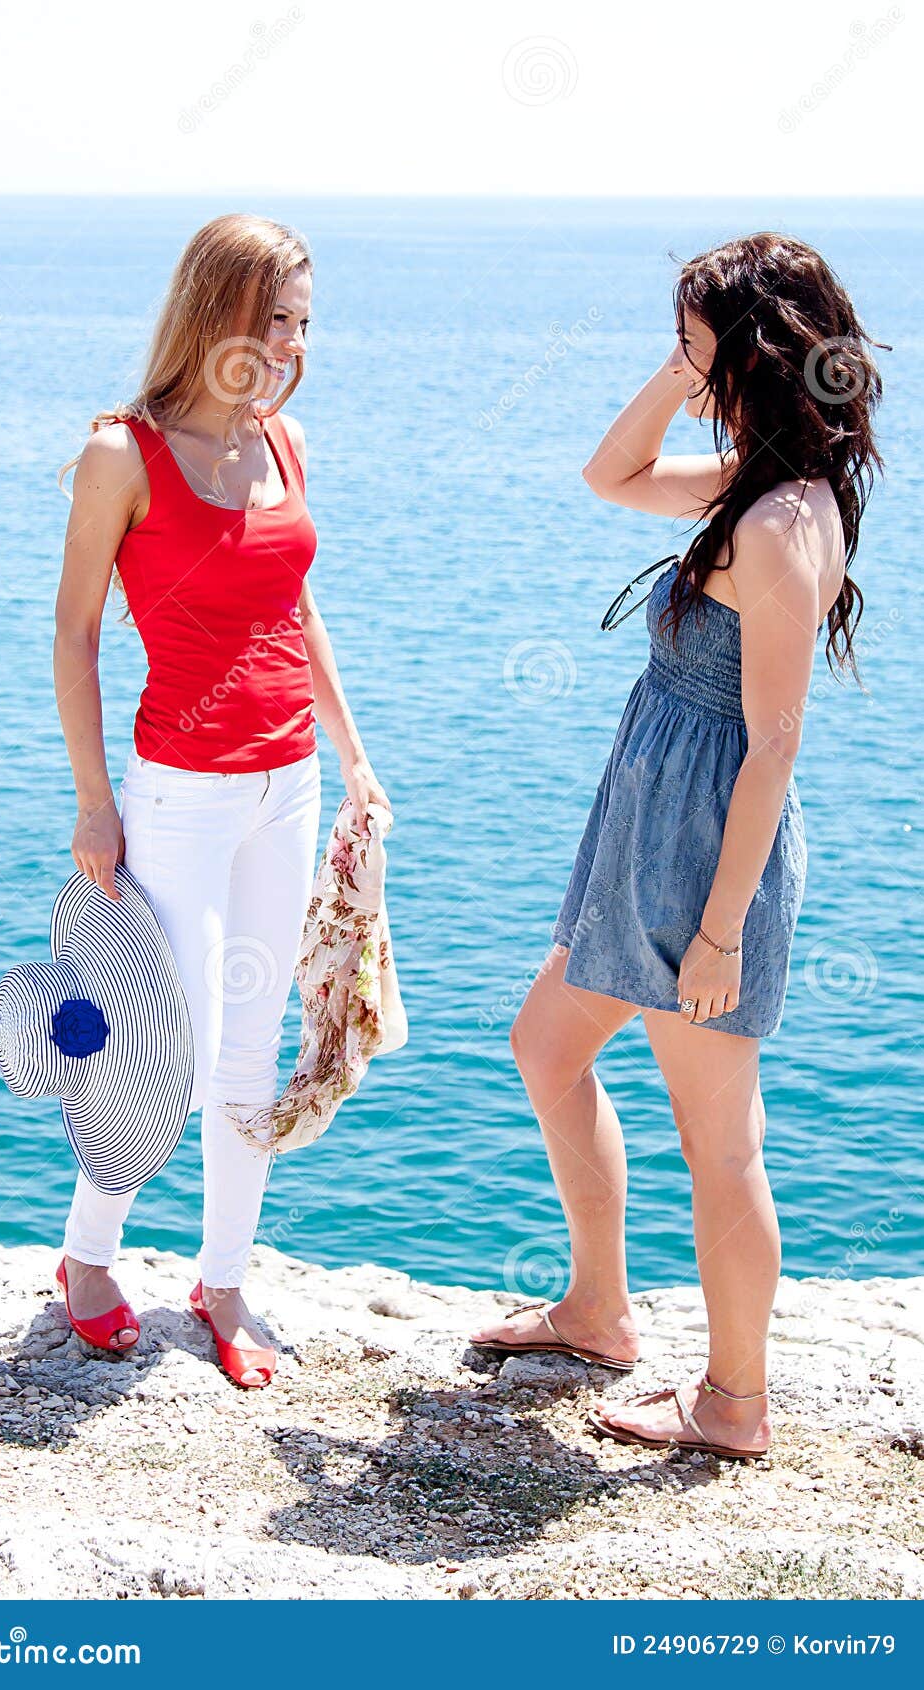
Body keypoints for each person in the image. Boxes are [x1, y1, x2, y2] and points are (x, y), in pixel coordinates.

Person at [471, 233, 883, 1458]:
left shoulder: (772, 525)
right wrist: (675, 362)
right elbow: (609, 473)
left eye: (695, 335)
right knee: (545, 1045)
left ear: (749, 354)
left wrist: (714, 932)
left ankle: (732, 1404)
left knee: (719, 1143)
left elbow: (771, 748)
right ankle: (596, 1309)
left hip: (707, 856)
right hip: (647, 832)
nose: (682, 353)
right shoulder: (756, 480)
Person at [51, 213, 390, 1386]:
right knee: (164, 1038)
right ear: (217, 312)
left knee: (252, 1041)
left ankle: (225, 1282)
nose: (292, 344)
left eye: (303, 321)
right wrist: (97, 803)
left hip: (284, 784)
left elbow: (297, 609)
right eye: (274, 318)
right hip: (178, 793)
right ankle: (87, 1260)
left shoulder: (284, 443)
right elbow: (77, 632)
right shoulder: (121, 454)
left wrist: (351, 755)